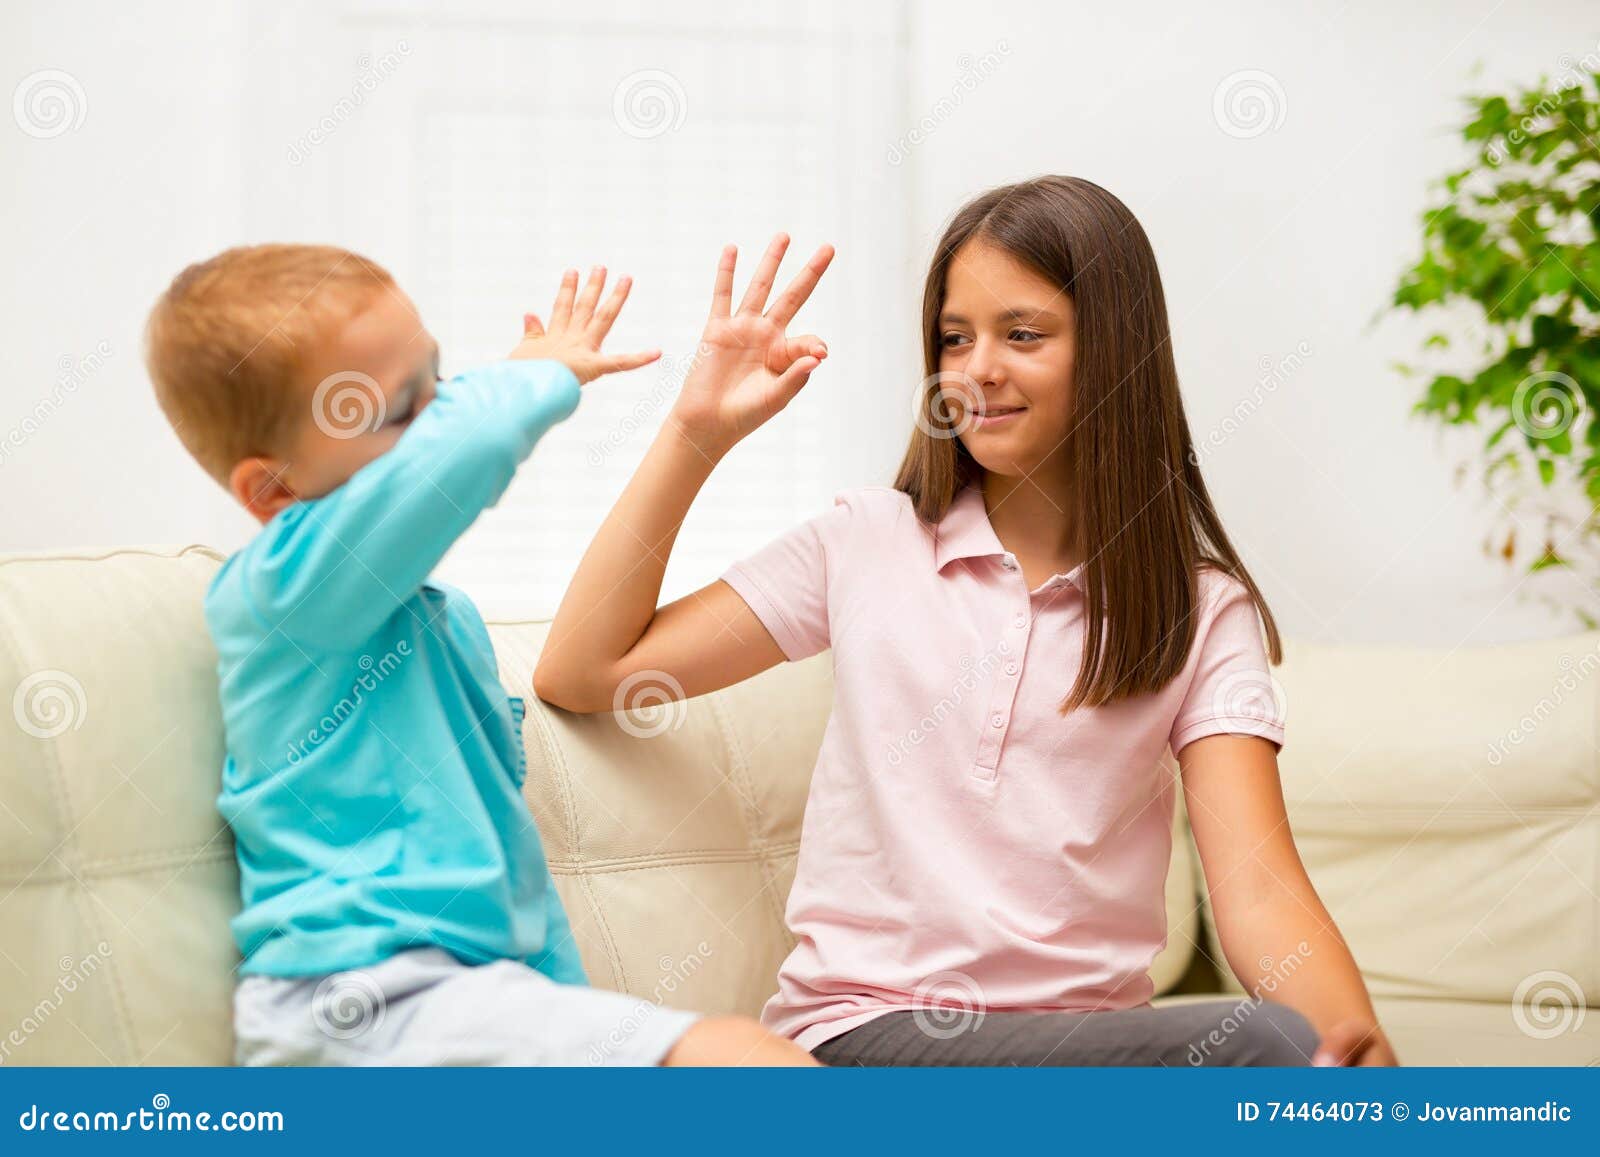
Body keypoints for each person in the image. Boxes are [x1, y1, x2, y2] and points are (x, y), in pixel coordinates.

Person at [533, 177, 1399, 1067]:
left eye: (1022, 334)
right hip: (870, 1036)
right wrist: (695, 435)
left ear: (1115, 351)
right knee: (1256, 1046)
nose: (977, 367)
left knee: (1290, 1051)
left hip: (1091, 1054)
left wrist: (1365, 1066)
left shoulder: (1199, 606)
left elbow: (1259, 888)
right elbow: (584, 670)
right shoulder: (865, 542)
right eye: (956, 337)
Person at [145, 244, 817, 1066]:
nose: (441, 413)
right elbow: (457, 456)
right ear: (274, 491)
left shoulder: (441, 621)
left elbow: (510, 874)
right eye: (400, 410)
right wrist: (532, 377)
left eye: (440, 379)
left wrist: (568, 1002)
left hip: (466, 999)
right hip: (360, 1005)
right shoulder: (276, 596)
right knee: (741, 1057)